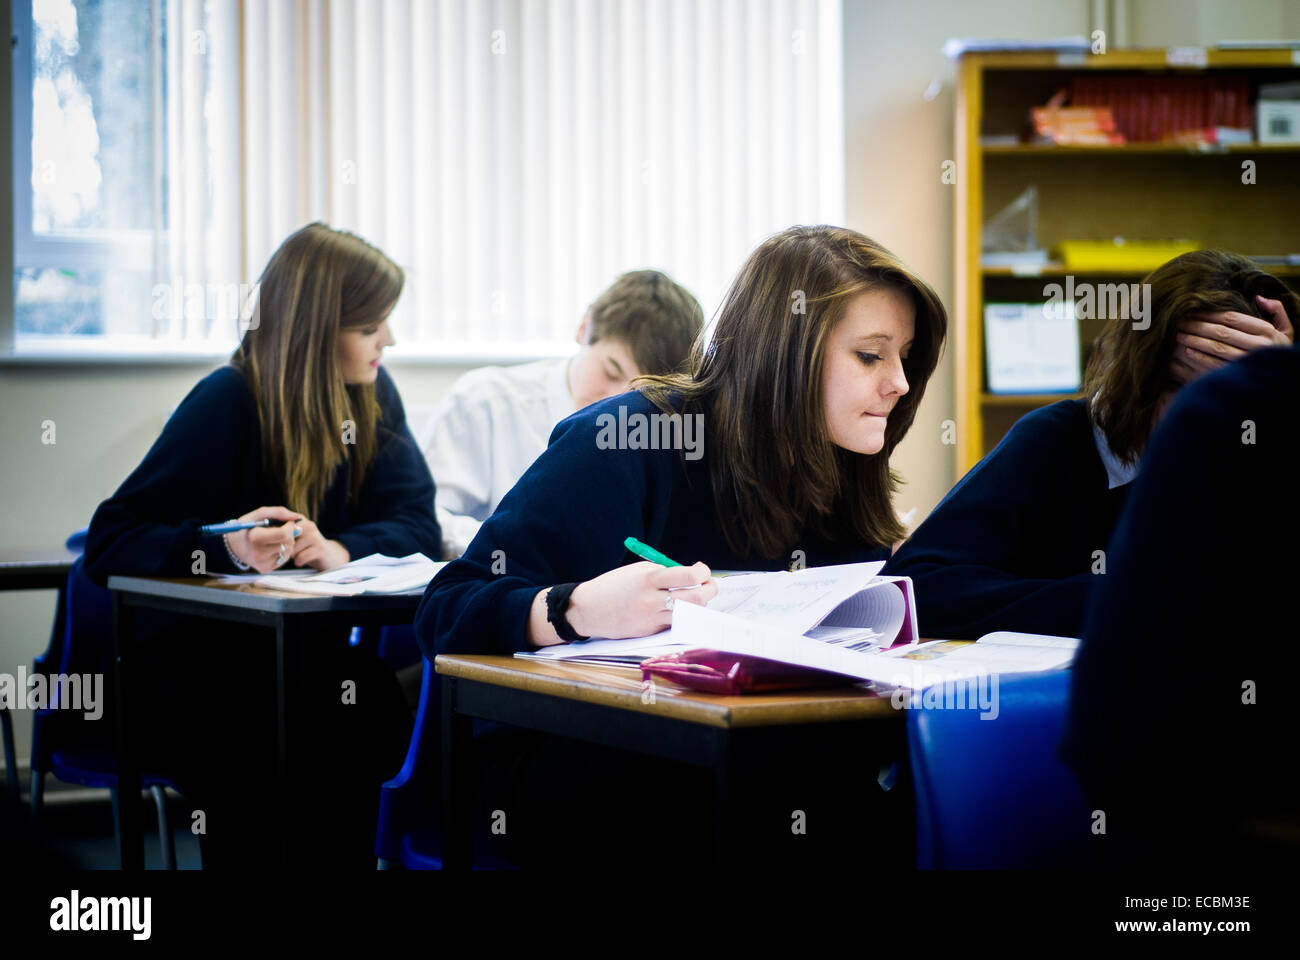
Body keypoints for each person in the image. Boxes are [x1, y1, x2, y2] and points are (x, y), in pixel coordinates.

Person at [416, 225, 948, 865]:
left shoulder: (838, 471)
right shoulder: (628, 436)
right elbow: (446, 609)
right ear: (787, 351)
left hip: (755, 761)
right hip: (591, 761)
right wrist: (576, 608)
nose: (900, 383)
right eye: (871, 356)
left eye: (905, 357)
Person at [83, 222, 439, 867]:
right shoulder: (227, 400)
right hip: (198, 671)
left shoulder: (374, 397)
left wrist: (341, 549)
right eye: (370, 327)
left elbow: (417, 521)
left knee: (367, 699)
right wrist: (228, 548)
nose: (389, 340)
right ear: (316, 333)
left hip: (300, 663)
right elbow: (112, 540)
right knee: (267, 728)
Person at [883, 250, 1296, 640]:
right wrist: (1127, 598)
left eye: (1226, 395)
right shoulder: (1057, 440)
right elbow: (917, 589)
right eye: (1176, 386)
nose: (1200, 418)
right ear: (1137, 377)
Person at [1062, 341, 1300, 867]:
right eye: (1176, 381)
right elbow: (926, 579)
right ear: (1136, 387)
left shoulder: (1253, 407)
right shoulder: (1065, 433)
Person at [421, 269, 704, 558]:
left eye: (639, 394)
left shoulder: (658, 434)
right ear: (584, 328)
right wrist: (514, 547)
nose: (618, 400)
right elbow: (428, 518)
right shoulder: (484, 402)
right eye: (610, 371)